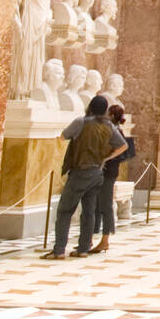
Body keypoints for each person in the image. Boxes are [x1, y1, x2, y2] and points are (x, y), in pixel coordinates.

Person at [42, 95, 128, 260]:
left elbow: (63, 136)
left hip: (80, 171)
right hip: (97, 173)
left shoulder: (81, 122)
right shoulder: (108, 126)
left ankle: (59, 250)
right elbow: (123, 145)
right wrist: (105, 158)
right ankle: (83, 248)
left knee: (65, 210)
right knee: (89, 212)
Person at [91, 104, 135, 254]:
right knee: (96, 203)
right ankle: (92, 237)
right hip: (103, 171)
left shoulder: (115, 131)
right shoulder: (110, 129)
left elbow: (122, 148)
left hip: (108, 172)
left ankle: (105, 240)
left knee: (105, 205)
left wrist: (106, 158)